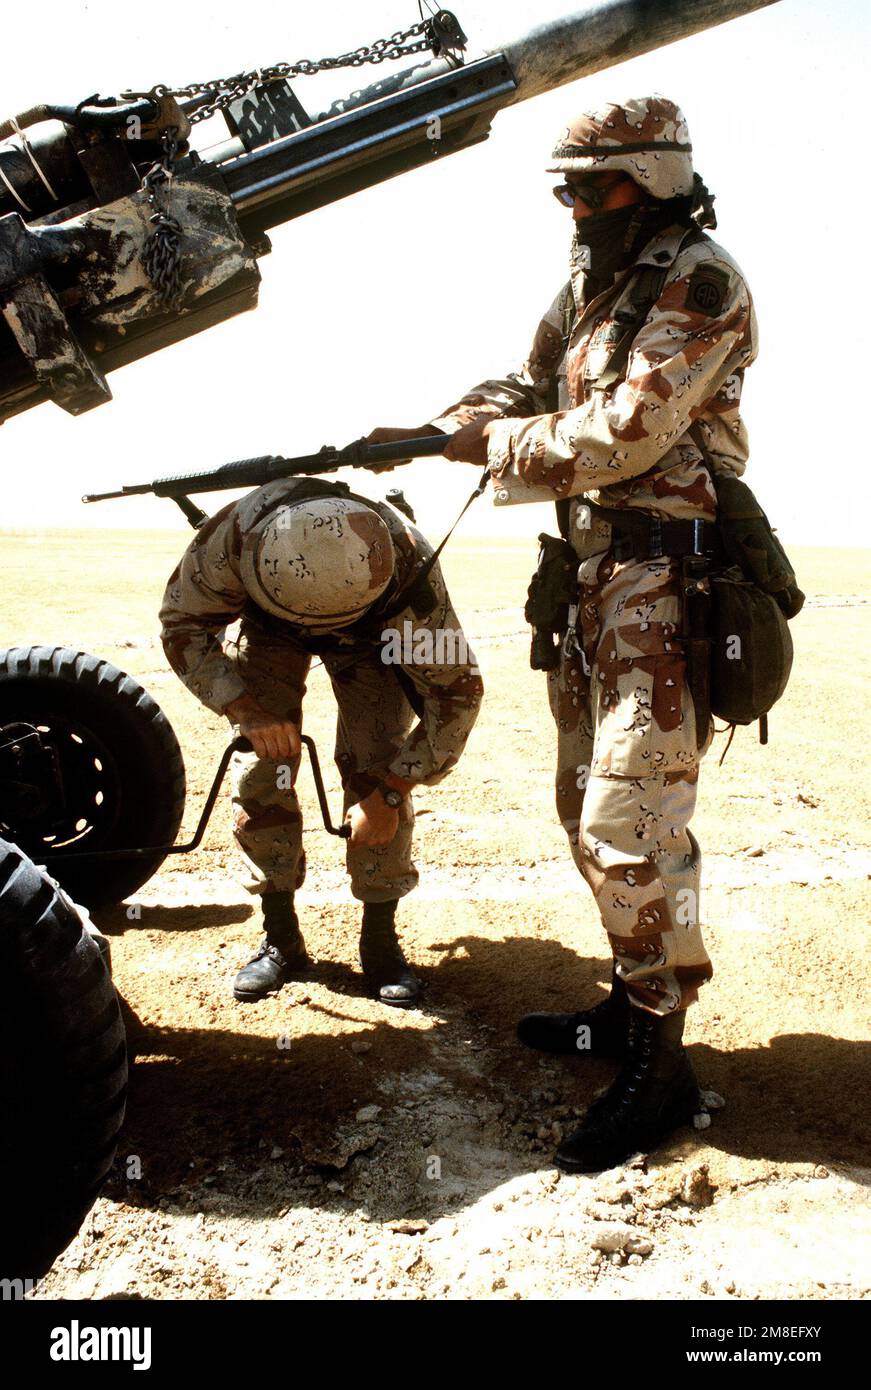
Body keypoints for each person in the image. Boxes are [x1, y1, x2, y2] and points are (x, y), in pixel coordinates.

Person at [367, 96, 758, 1168]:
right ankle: (630, 1011)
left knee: (628, 822)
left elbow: (626, 432)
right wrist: (439, 425)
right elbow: (528, 383)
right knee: (579, 803)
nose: (574, 205)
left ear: (658, 179)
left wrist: (488, 446)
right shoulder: (596, 281)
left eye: (596, 186)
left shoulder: (699, 280)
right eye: (566, 190)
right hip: (592, 582)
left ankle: (661, 1060)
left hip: (665, 583)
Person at [159, 477, 483, 1006]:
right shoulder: (232, 542)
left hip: (375, 633)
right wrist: (247, 711)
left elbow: (457, 693)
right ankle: (281, 939)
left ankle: (379, 942)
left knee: (377, 764)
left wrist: (393, 791)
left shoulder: (409, 574)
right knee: (265, 768)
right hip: (270, 629)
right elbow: (183, 626)